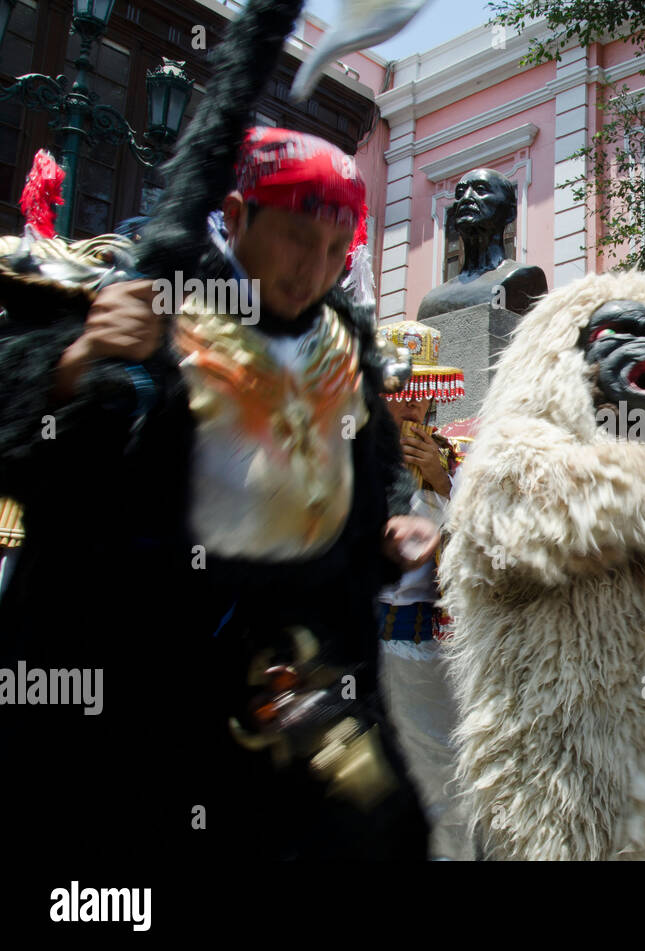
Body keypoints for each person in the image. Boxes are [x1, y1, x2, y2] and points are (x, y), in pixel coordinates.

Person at [0, 126, 436, 860]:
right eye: (299, 240)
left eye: (337, 251)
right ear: (236, 217)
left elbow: (371, 470)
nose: (316, 270)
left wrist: (392, 522)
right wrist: (81, 359)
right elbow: (29, 441)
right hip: (143, 673)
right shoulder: (149, 304)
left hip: (297, 668)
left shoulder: (343, 348)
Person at [375, 319, 472, 859]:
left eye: (423, 393)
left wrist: (444, 485)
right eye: (402, 390)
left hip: (430, 648)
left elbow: (483, 551)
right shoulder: (346, 453)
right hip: (365, 644)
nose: (413, 405)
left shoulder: (456, 458)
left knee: (441, 778)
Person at [416, 168, 547, 319]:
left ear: (510, 212)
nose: (466, 198)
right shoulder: (432, 300)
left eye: (480, 190)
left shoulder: (526, 278)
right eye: (459, 193)